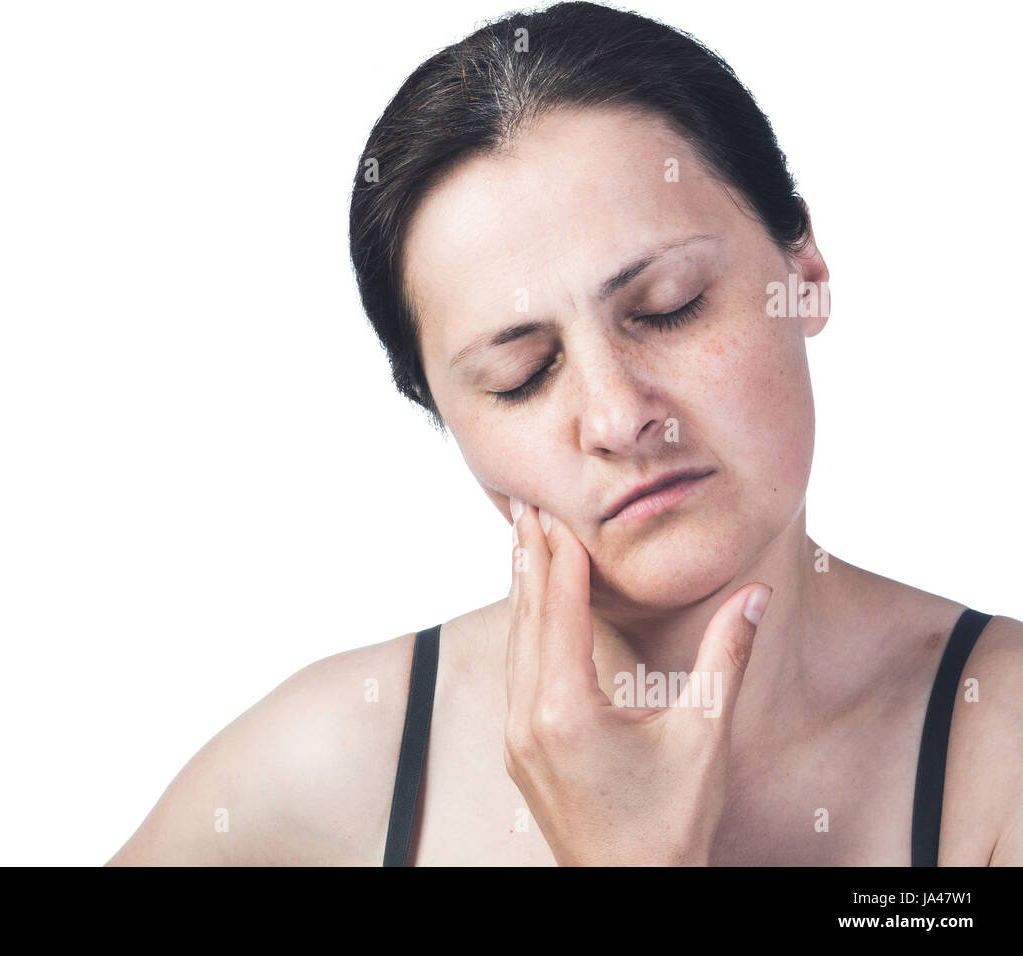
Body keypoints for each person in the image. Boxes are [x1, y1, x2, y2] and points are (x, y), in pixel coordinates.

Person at [107, 1, 1022, 866]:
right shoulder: (327, 768)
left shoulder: (1003, 746)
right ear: (443, 419)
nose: (620, 418)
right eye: (523, 375)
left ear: (805, 272)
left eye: (670, 306)